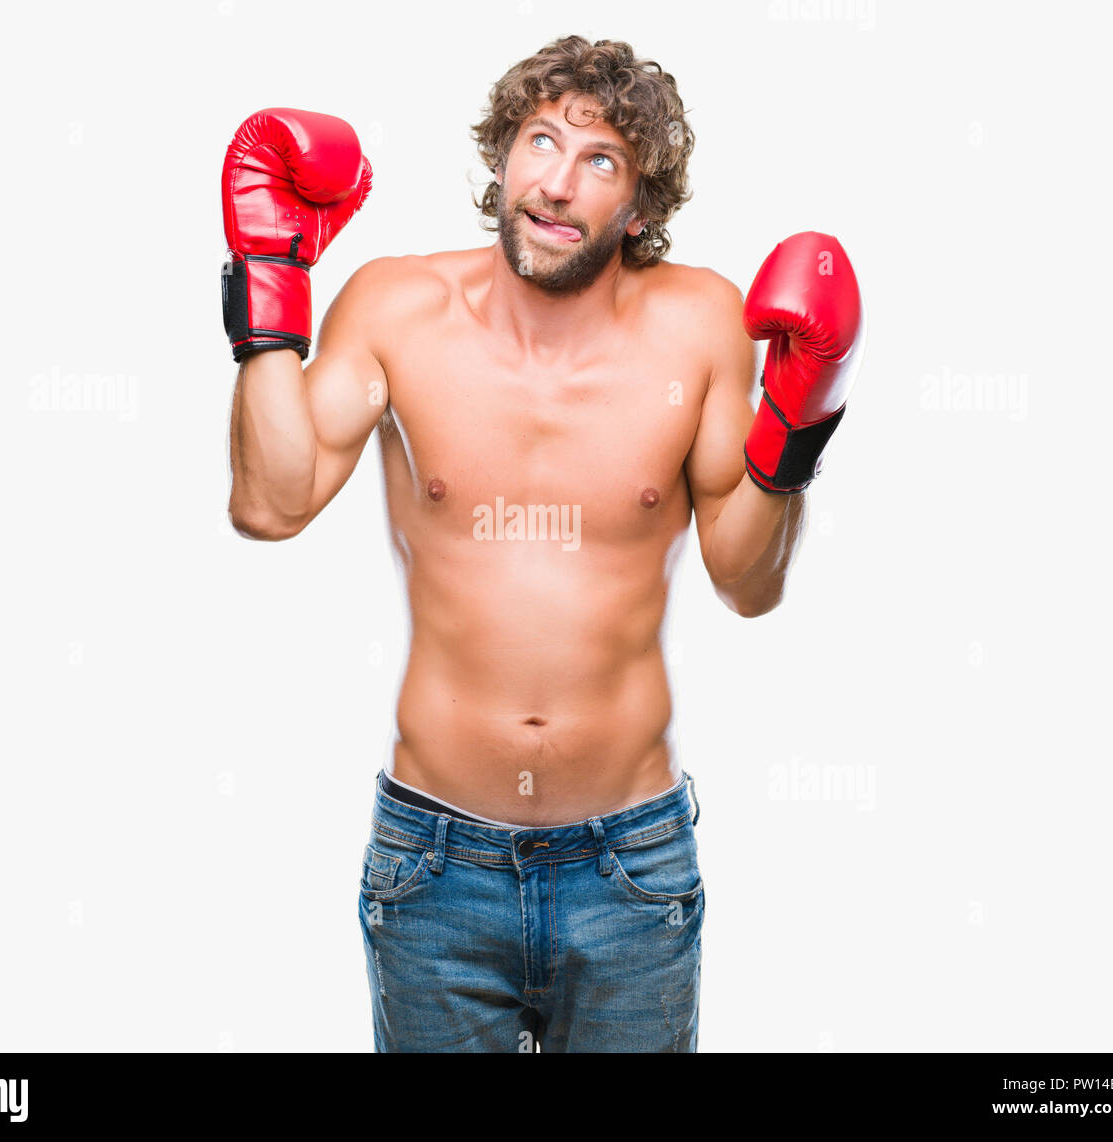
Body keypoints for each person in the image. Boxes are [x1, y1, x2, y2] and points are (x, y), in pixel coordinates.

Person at [220, 34, 863, 1052]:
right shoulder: (397, 305)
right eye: (539, 142)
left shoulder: (699, 323)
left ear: (639, 206)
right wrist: (269, 285)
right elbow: (269, 502)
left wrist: (797, 427)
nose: (556, 184)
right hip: (433, 862)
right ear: (501, 156)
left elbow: (749, 580)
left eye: (599, 160)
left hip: (630, 864)